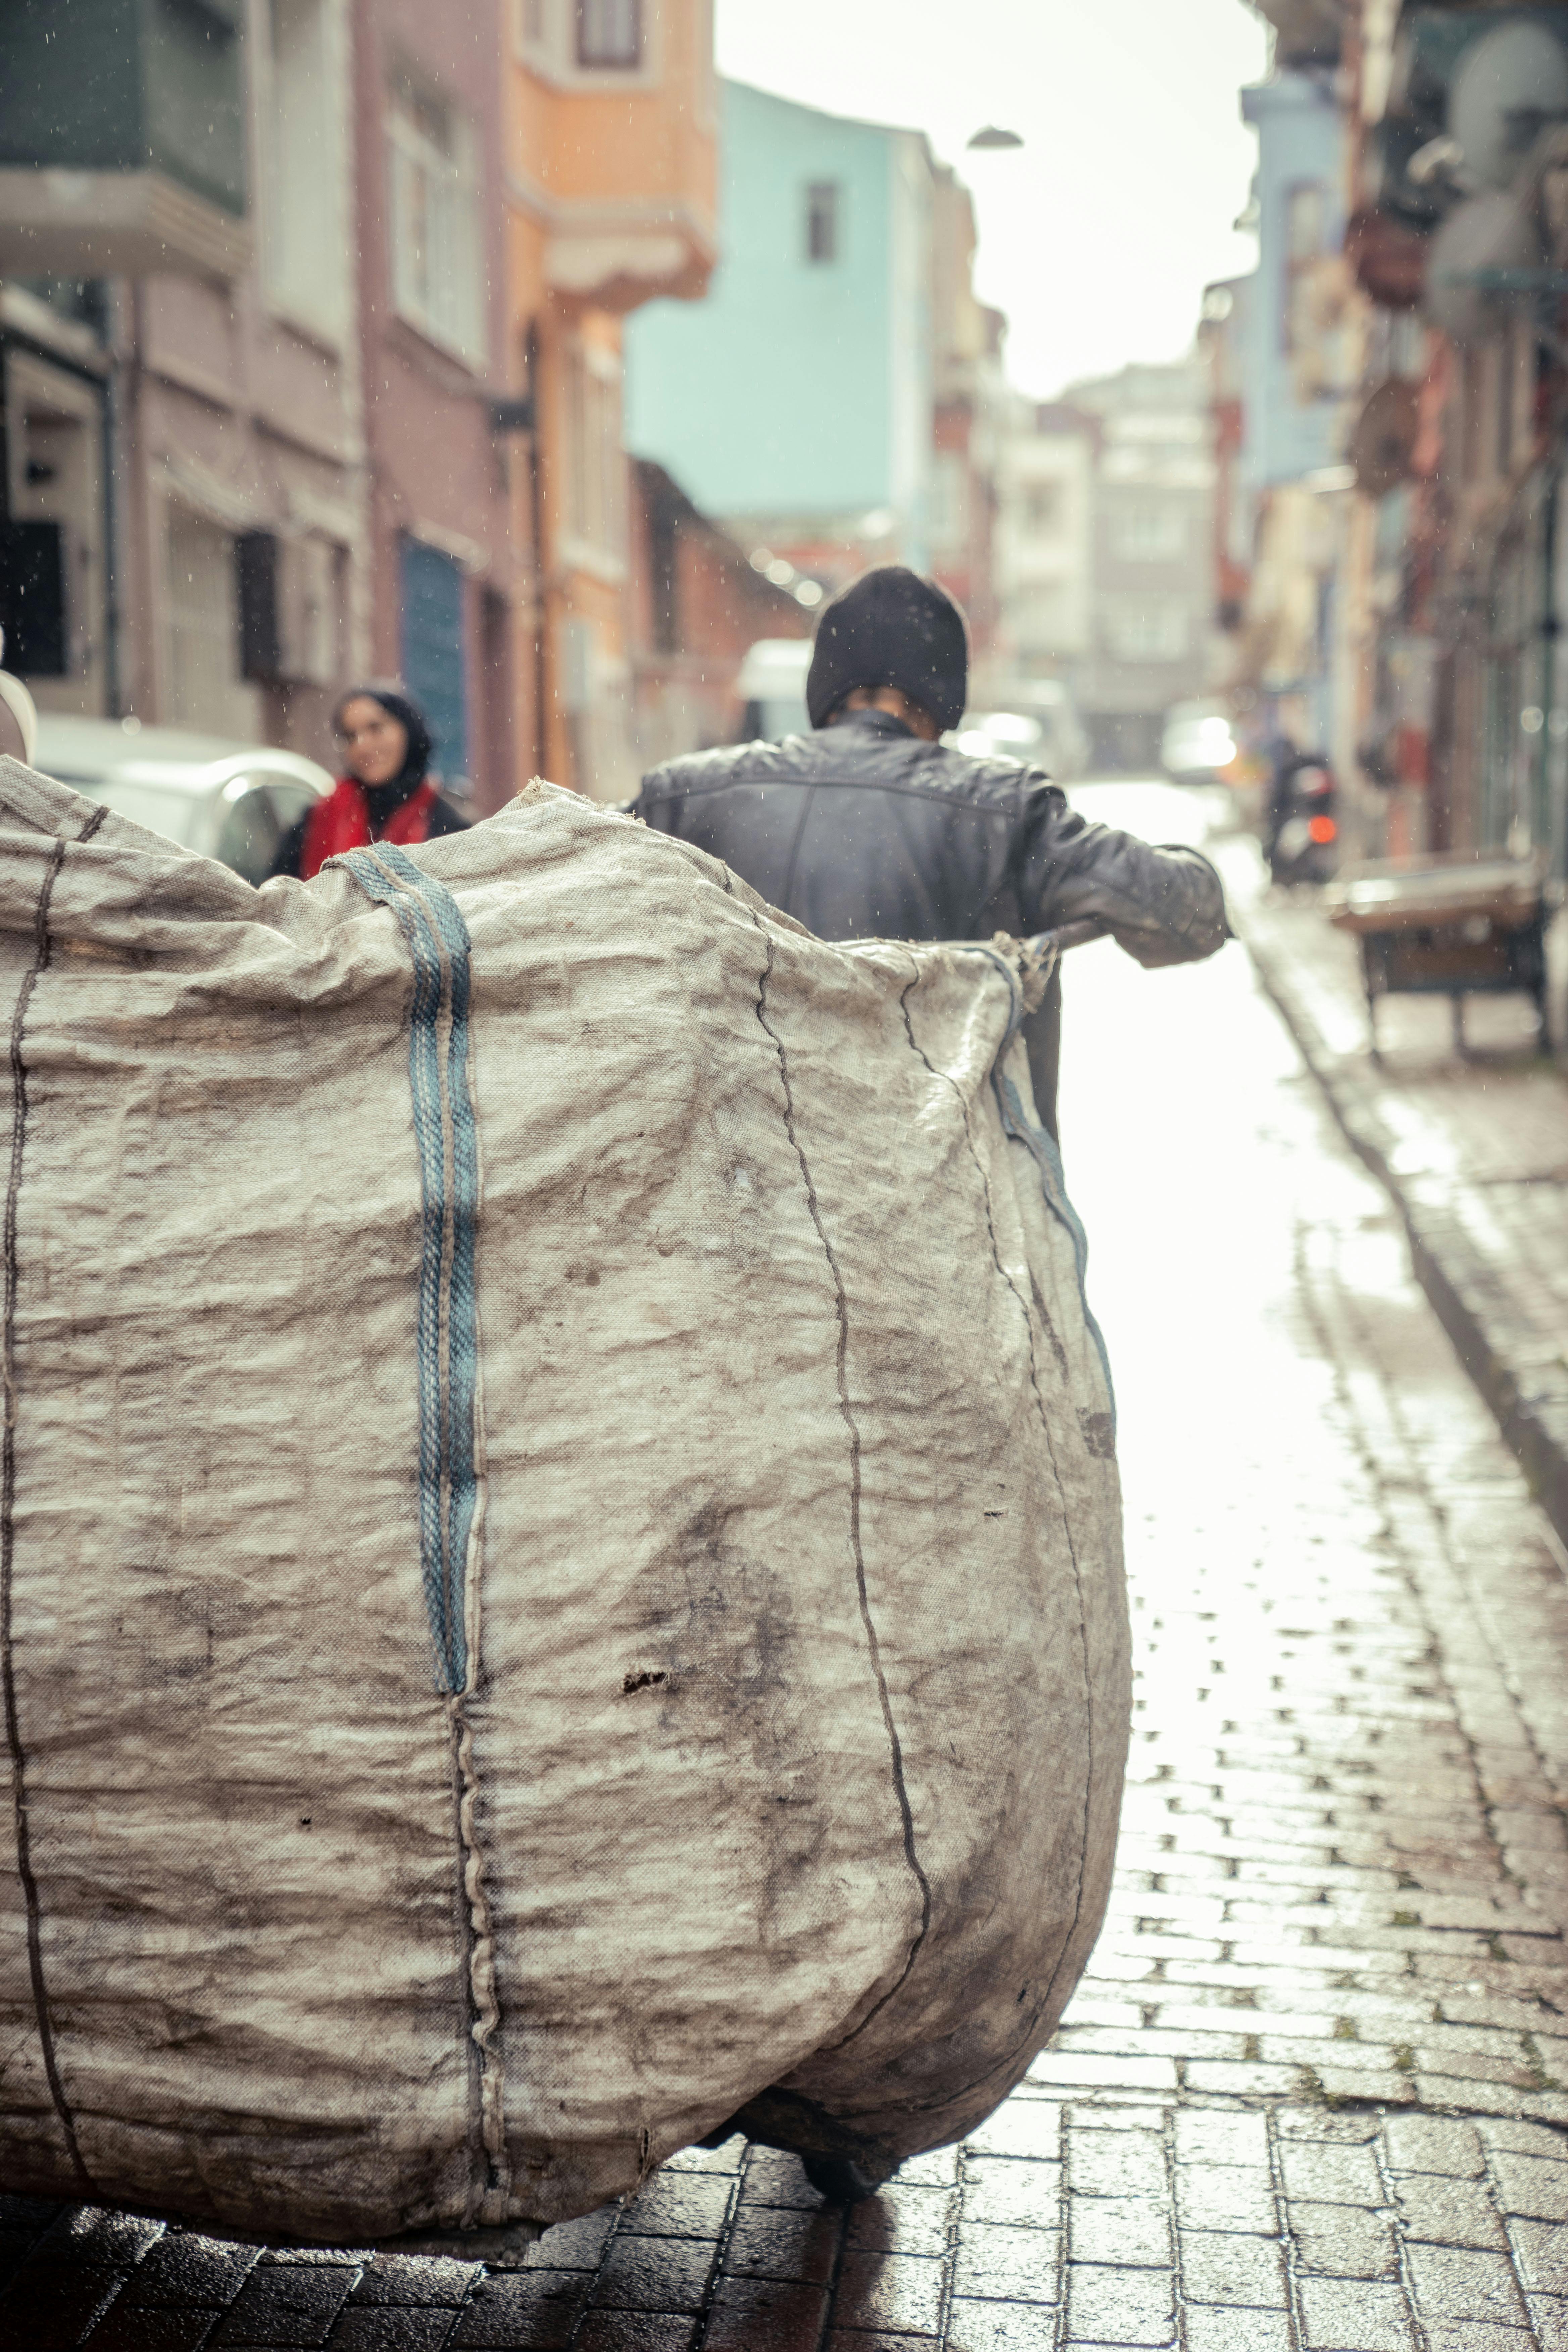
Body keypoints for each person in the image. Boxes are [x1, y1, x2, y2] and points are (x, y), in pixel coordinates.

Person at [627, 565, 1228, 1138]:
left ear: (825, 686)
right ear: (942, 700)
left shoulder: (682, 800)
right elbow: (1187, 914)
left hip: (742, 1193)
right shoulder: (1004, 810)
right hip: (945, 1205)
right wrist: (1189, 867)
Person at [272, 682, 469, 880]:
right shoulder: (319, 817)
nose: (362, 746)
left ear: (409, 731)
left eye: (376, 729)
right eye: (350, 736)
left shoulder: (449, 826)